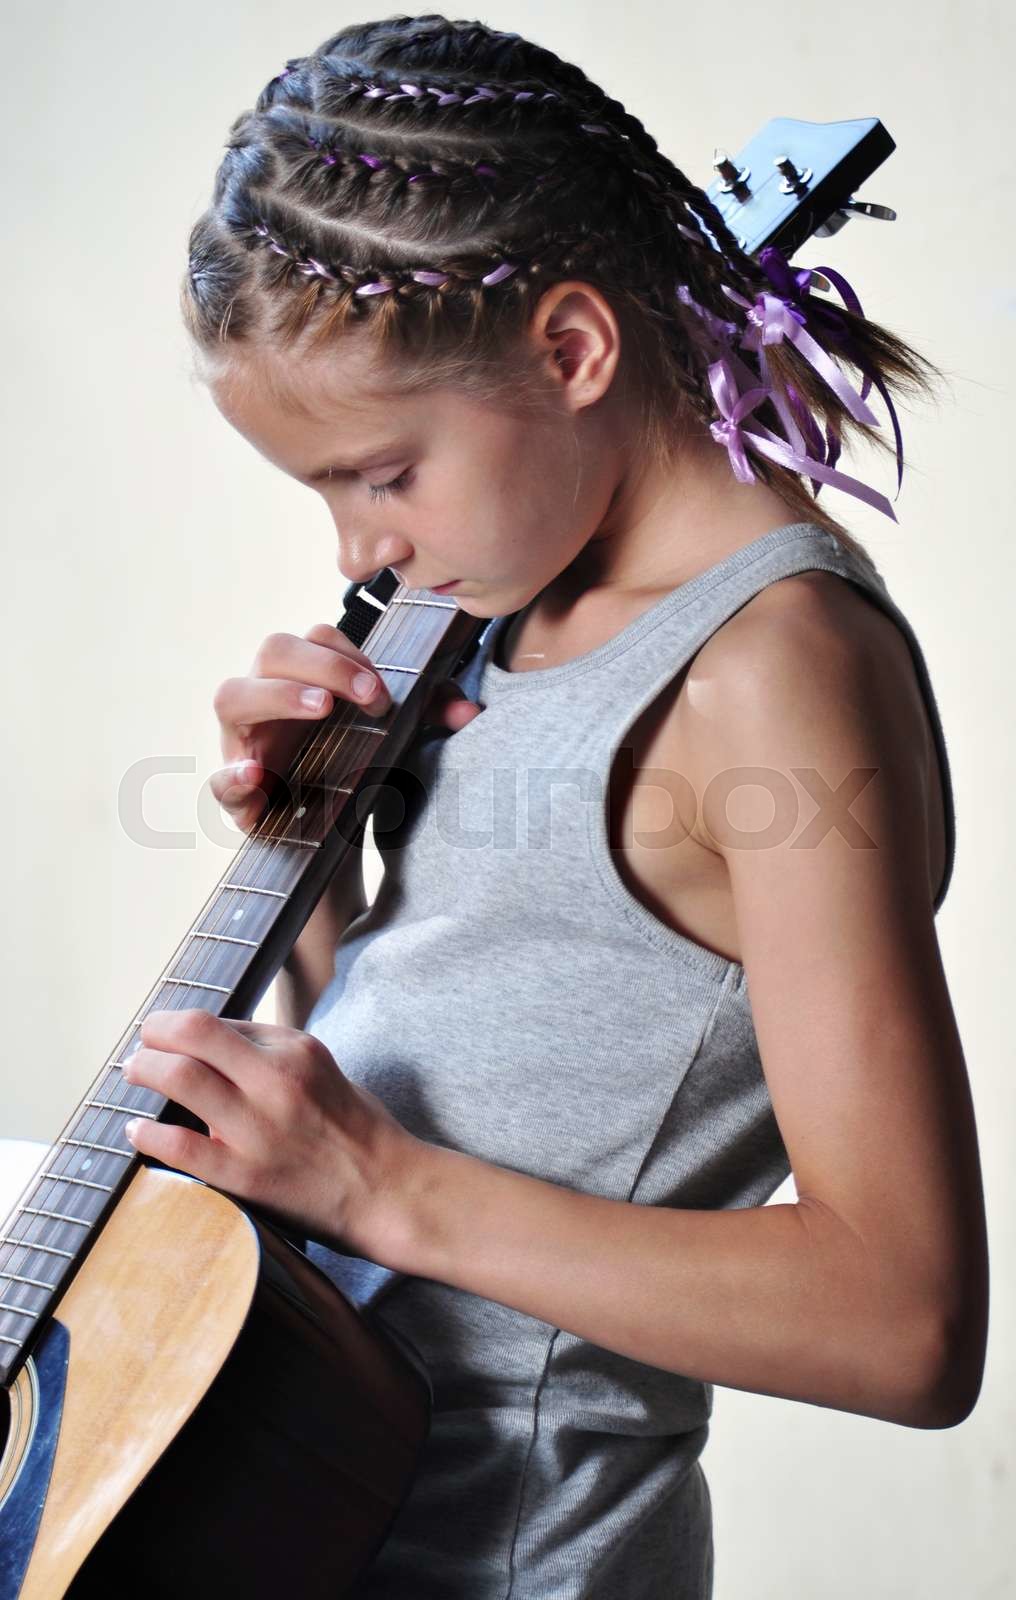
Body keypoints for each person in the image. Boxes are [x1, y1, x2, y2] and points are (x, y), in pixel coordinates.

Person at [123, 15, 989, 1597]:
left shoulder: (773, 671)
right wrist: (301, 863)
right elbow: (434, 1041)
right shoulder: (503, 591)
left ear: (574, 351)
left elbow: (906, 1317)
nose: (356, 548)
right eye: (320, 492)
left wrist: (380, 1184)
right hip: (274, 1506)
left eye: (381, 472)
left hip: (508, 1558)